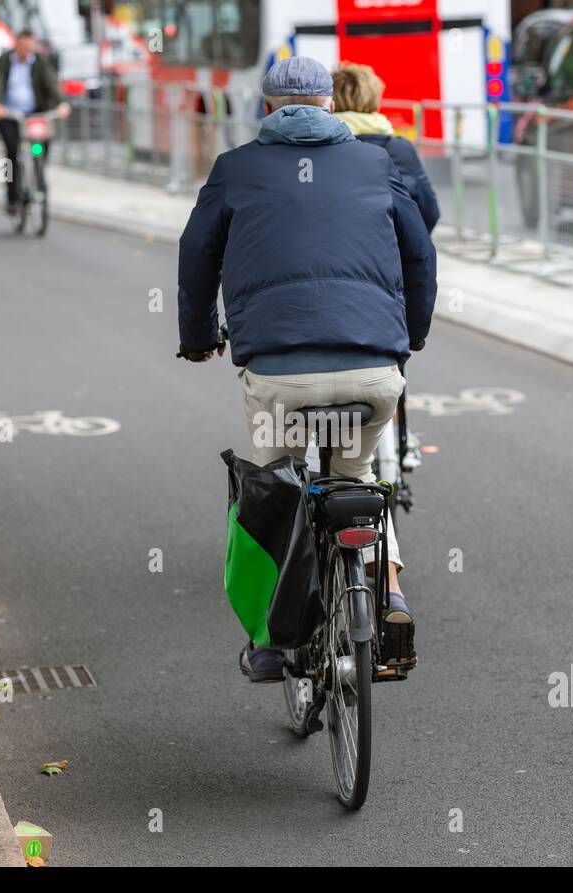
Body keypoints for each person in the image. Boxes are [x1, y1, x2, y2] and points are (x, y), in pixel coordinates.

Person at [176, 56, 436, 682]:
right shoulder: (378, 163)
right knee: (360, 476)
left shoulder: (235, 169)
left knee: (274, 484)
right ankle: (389, 596)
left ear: (265, 107)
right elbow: (420, 255)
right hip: (373, 369)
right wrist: (408, 340)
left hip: (280, 376)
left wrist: (198, 337)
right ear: (328, 104)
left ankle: (269, 642)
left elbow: (196, 257)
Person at [332, 63, 440, 233]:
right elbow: (429, 210)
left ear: (331, 103)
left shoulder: (322, 145)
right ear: (375, 101)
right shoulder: (399, 148)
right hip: (389, 249)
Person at [0, 30, 70, 216]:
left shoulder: (39, 61)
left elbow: (50, 82)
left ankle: (39, 172)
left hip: (34, 113)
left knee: (41, 144)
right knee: (11, 153)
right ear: (17, 45)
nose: (27, 52)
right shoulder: (5, 61)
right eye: (24, 47)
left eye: (30, 47)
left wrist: (61, 103)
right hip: (9, 115)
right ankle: (11, 196)